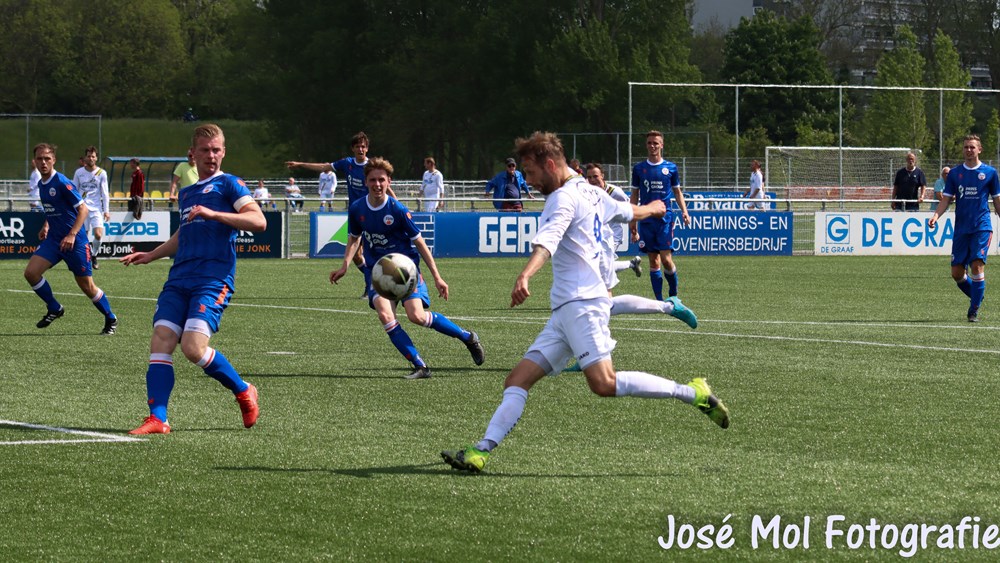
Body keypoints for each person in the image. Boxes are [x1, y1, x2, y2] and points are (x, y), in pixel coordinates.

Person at [441, 132, 728, 473]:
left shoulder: (562, 198)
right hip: (565, 311)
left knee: (604, 383)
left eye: (531, 172)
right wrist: (652, 209)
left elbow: (548, 242)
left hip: (583, 305)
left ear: (550, 165)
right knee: (516, 380)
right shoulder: (591, 191)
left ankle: (692, 393)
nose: (528, 181)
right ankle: (481, 451)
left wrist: (525, 275)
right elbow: (626, 211)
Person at [120, 123, 266, 435]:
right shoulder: (187, 192)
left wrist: (215, 214)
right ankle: (158, 418)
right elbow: (182, 235)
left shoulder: (229, 185)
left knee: (193, 348)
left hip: (212, 279)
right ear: (193, 154)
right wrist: (151, 254)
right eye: (205, 150)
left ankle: (243, 391)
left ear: (223, 152)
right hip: (179, 278)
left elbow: (258, 221)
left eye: (216, 150)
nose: (211, 155)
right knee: (161, 339)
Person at [330, 157, 485, 379]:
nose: (377, 184)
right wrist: (345, 265)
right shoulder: (357, 209)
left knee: (417, 317)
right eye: (372, 180)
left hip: (406, 271)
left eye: (381, 180)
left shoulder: (397, 209)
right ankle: (420, 366)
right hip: (378, 272)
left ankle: (467, 337)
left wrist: (437, 277)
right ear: (366, 182)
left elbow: (420, 243)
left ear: (389, 181)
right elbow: (354, 238)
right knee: (386, 315)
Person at [23, 143, 117, 335]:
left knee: (87, 286)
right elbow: (52, 209)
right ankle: (54, 307)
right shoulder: (41, 184)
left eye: (47, 159)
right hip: (54, 240)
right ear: (35, 161)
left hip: (75, 242)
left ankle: (110, 318)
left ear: (54, 160)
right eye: (40, 159)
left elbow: (83, 209)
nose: (43, 162)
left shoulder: (62, 182)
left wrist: (72, 234)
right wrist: (46, 225)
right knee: (31, 273)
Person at [287, 132, 395, 296]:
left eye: (363, 146)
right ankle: (373, 281)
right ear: (353, 148)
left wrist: (397, 205)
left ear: (367, 148)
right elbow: (324, 167)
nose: (360, 149)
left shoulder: (371, 166)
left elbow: (386, 187)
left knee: (373, 252)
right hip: (356, 215)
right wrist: (301, 164)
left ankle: (376, 285)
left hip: (373, 213)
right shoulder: (347, 163)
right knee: (356, 256)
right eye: (357, 146)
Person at [928, 135, 1000, 323]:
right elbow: (946, 199)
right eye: (966, 147)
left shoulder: (990, 173)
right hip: (961, 228)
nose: (968, 150)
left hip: (981, 226)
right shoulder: (954, 174)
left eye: (972, 147)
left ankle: (973, 310)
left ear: (979, 149)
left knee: (976, 265)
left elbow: (997, 201)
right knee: (957, 273)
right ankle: (977, 295)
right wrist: (936, 216)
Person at [630, 130, 691, 300]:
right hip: (646, 219)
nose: (652, 146)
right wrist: (632, 219)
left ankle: (673, 295)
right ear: (646, 145)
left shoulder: (670, 168)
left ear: (661, 145)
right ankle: (659, 301)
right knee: (653, 261)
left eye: (656, 143)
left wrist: (684, 211)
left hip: (665, 219)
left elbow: (677, 192)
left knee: (666, 260)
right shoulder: (639, 169)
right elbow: (634, 195)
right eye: (649, 143)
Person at [585, 163, 642, 278]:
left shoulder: (614, 192)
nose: (592, 180)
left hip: (613, 234)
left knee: (601, 266)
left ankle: (631, 264)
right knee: (599, 265)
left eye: (595, 176)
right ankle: (632, 264)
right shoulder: (587, 191)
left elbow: (630, 208)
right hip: (597, 234)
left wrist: (634, 231)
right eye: (589, 177)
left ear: (602, 176)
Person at [72, 146, 110, 270]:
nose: (91, 158)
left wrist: (106, 211)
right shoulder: (79, 172)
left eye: (93, 156)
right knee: (83, 236)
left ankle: (94, 255)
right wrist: (74, 207)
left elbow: (105, 193)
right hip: (82, 209)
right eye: (89, 156)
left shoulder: (101, 173)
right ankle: (83, 258)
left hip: (96, 209)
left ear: (96, 158)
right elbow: (74, 190)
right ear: (85, 158)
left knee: (98, 234)